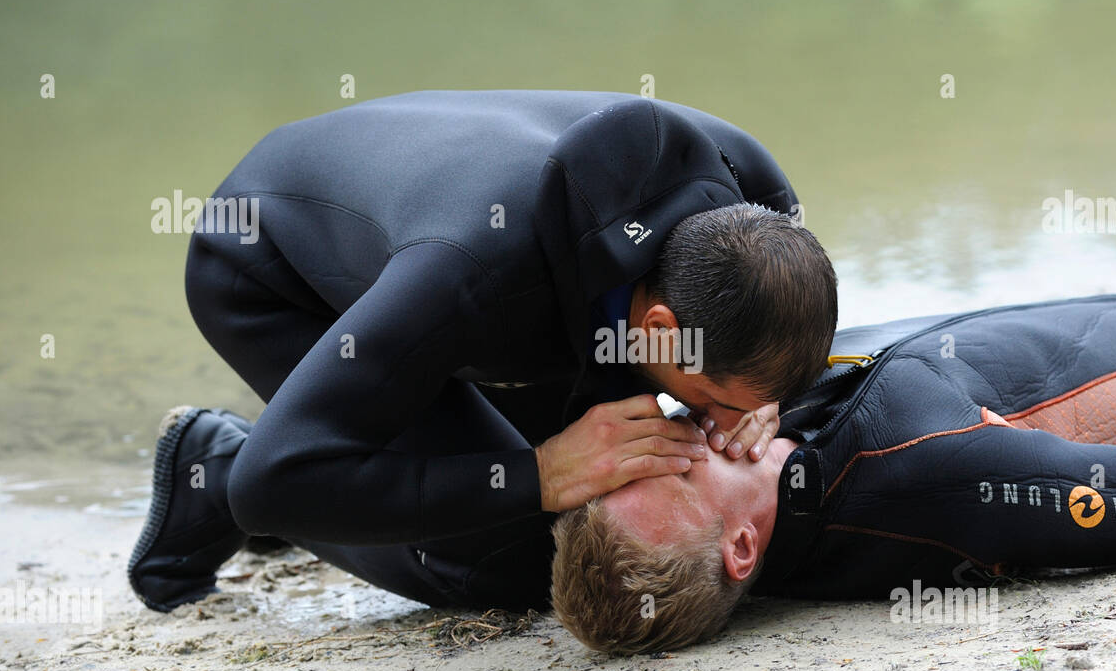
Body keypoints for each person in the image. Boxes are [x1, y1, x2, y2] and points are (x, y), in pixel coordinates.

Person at [129, 90, 838, 613]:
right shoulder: (474, 283)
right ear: (656, 330)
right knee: (518, 557)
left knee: (578, 499)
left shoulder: (756, 198)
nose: (719, 427)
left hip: (473, 250)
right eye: (716, 405)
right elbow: (272, 483)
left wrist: (769, 399)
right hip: (272, 265)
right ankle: (209, 467)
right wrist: (539, 473)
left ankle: (355, 490)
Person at [551, 294, 1116, 654]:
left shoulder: (771, 439)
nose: (674, 432)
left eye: (640, 455)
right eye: (678, 474)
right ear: (740, 549)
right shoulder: (923, 478)